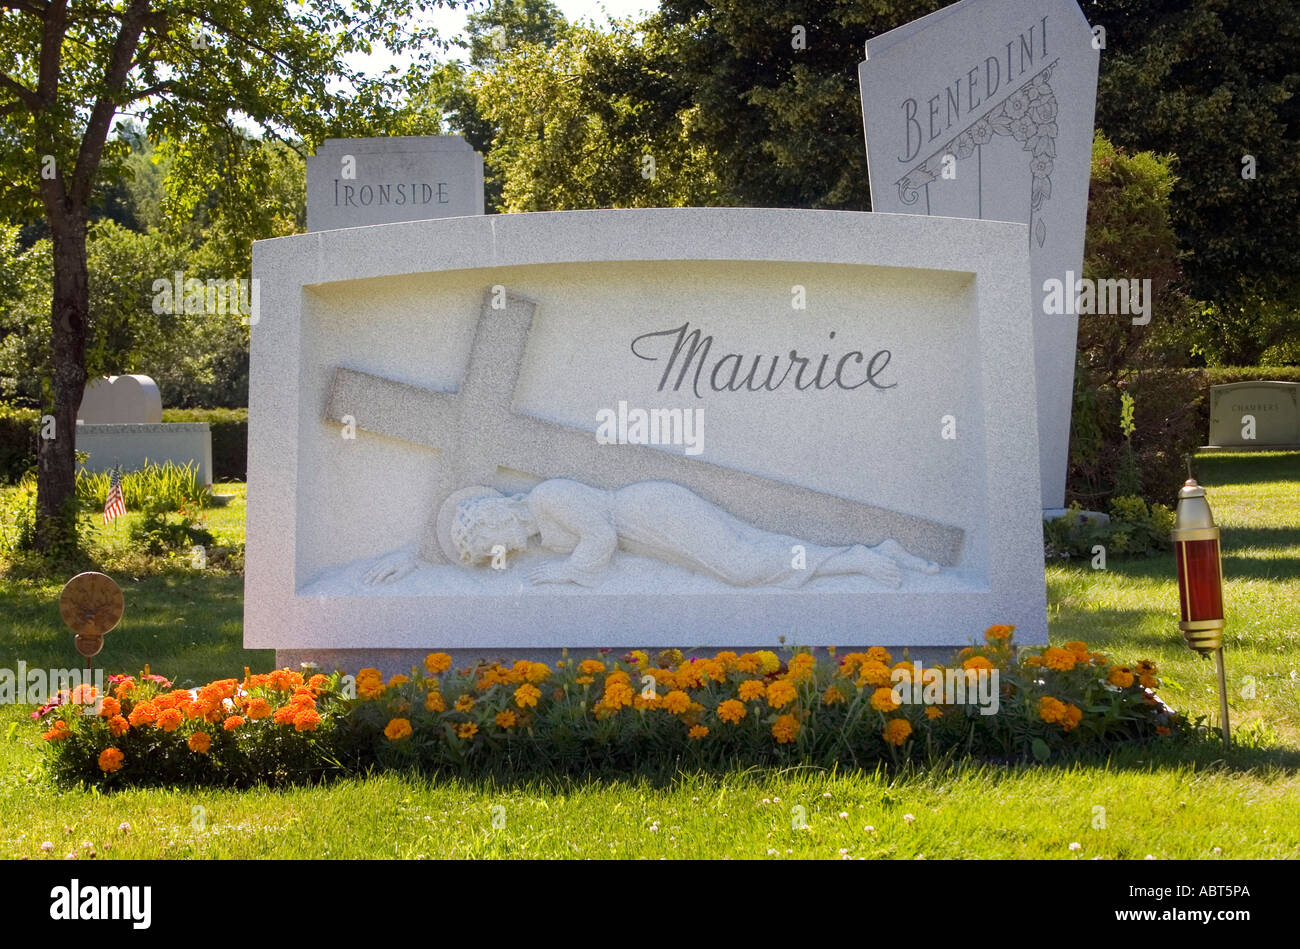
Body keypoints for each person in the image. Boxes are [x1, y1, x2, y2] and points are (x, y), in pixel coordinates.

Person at [363, 478, 939, 589]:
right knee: (750, 555)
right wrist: (415, 560)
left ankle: (860, 561)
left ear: (495, 518)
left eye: (490, 544)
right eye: (488, 555)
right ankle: (873, 554)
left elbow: (602, 539)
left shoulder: (546, 497)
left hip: (653, 513)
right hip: (650, 532)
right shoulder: (535, 530)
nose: (501, 554)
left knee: (741, 567)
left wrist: (567, 573)